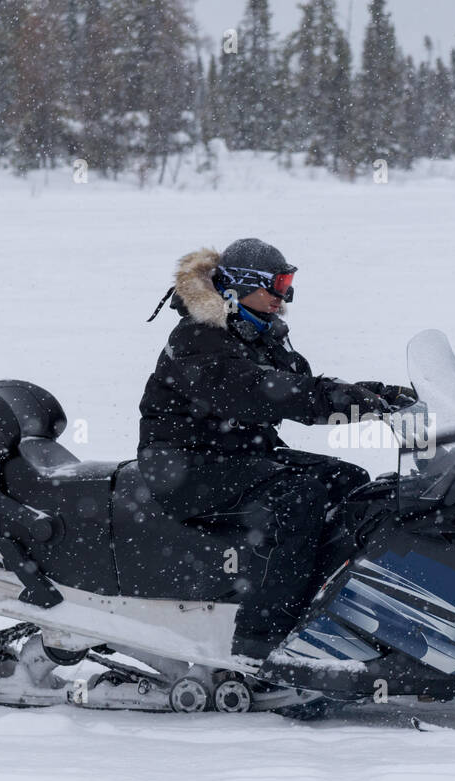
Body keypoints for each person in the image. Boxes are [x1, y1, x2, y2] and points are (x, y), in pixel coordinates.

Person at [138, 239, 413, 658]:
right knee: (296, 499)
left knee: (349, 481)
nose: (285, 296)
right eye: (278, 285)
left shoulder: (256, 329)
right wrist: (341, 401)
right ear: (242, 286)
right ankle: (262, 638)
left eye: (288, 284)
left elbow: (303, 385)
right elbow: (264, 393)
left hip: (240, 454)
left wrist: (376, 396)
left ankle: (328, 610)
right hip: (186, 466)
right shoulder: (200, 335)